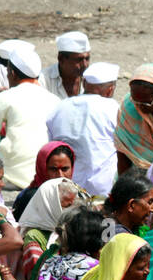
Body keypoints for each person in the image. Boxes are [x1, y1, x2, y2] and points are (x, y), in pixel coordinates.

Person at [0, 44, 60, 191]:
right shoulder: (55, 100)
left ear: (12, 73)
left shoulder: (5, 97)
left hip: (11, 177)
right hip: (44, 175)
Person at [47, 61, 119, 199]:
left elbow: (51, 145)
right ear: (110, 90)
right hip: (102, 189)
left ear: (84, 84)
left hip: (65, 186)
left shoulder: (60, 107)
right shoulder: (112, 108)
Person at [14, 176, 77, 280]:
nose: (72, 211)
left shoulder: (70, 230)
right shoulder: (34, 236)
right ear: (51, 206)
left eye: (73, 205)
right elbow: (38, 275)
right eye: (67, 206)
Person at [39, 31, 90, 100]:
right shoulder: (44, 80)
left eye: (87, 59)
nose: (84, 64)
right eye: (79, 60)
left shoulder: (93, 80)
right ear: (61, 59)